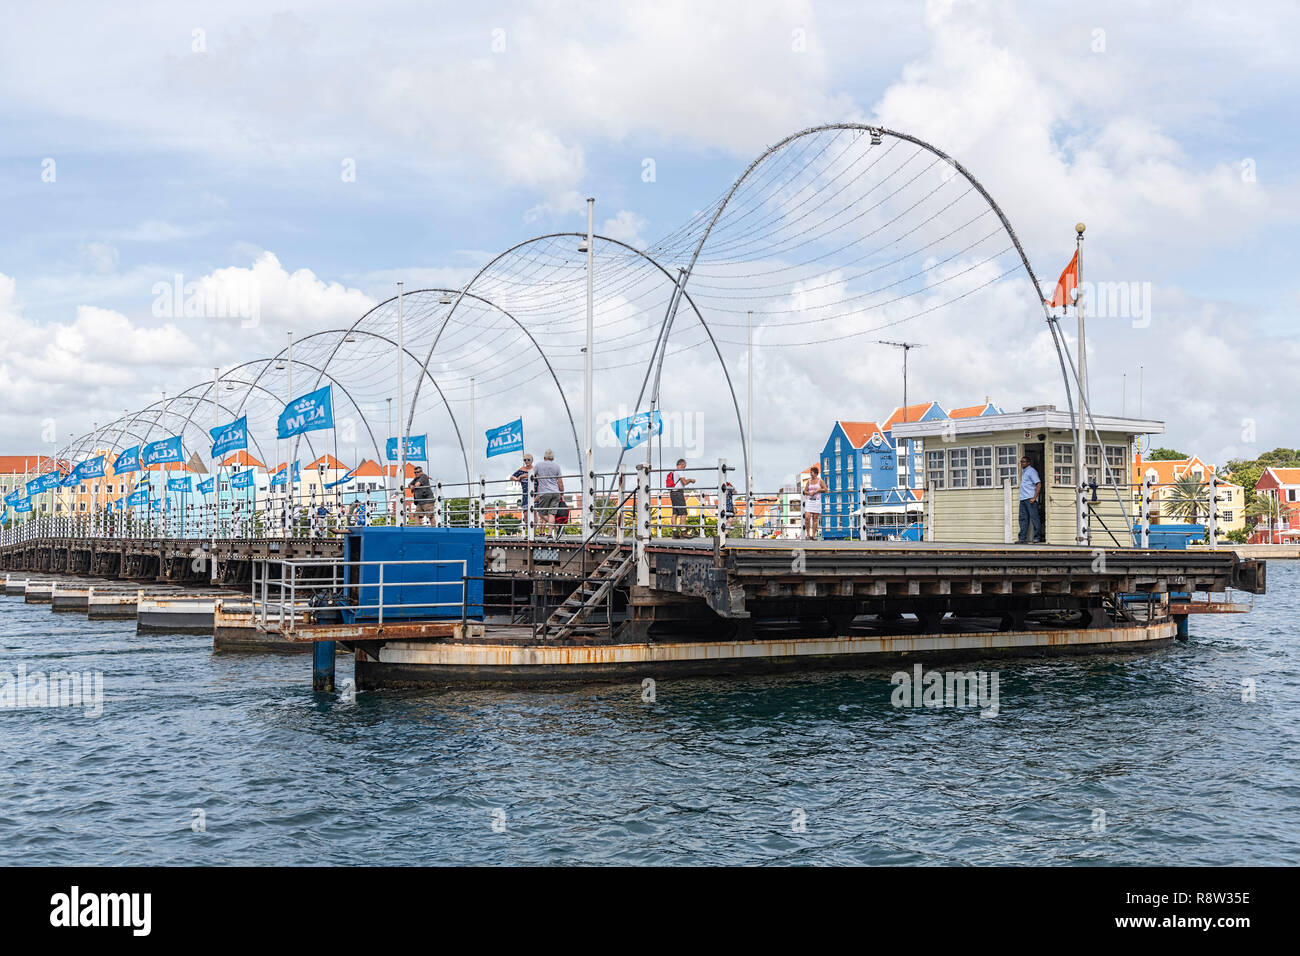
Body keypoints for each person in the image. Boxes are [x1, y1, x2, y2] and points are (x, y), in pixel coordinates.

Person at [533, 449, 564, 538]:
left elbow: (531, 474)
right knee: (552, 514)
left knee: (541, 513)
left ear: (544, 457)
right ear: (553, 458)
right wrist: (562, 492)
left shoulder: (539, 465)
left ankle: (557, 526)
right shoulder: (557, 466)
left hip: (545, 493)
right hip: (555, 492)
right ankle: (550, 534)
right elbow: (560, 481)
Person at [666, 459, 695, 537]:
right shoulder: (680, 471)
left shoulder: (673, 471)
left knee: (675, 513)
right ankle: (683, 532)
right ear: (682, 465)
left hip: (672, 493)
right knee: (683, 513)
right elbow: (684, 482)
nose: (684, 468)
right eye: (684, 466)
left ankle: (675, 532)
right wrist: (690, 480)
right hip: (678, 493)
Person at [1017, 455, 1043, 543]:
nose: (1022, 463)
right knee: (1023, 519)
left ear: (1028, 463)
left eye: (1024, 462)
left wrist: (1034, 497)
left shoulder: (1031, 471)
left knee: (1034, 518)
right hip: (1023, 498)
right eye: (1021, 462)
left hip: (1030, 499)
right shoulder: (1024, 472)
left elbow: (1038, 484)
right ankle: (1022, 538)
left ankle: (1037, 537)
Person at [802, 465, 827, 539]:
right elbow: (805, 491)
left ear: (816, 473)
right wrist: (809, 493)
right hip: (809, 501)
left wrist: (817, 490)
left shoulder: (820, 480)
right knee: (807, 517)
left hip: (816, 501)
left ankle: (813, 535)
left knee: (815, 518)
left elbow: (825, 489)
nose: (811, 474)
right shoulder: (809, 481)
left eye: (812, 473)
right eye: (810, 472)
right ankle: (807, 534)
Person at [511, 453, 536, 528]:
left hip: (534, 494)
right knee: (525, 515)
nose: (526, 461)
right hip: (525, 495)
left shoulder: (535, 469)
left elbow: (539, 479)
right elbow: (512, 477)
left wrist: (522, 476)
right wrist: (518, 478)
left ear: (532, 460)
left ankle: (533, 533)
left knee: (534, 513)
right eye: (525, 460)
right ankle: (529, 532)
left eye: (528, 459)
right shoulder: (522, 469)